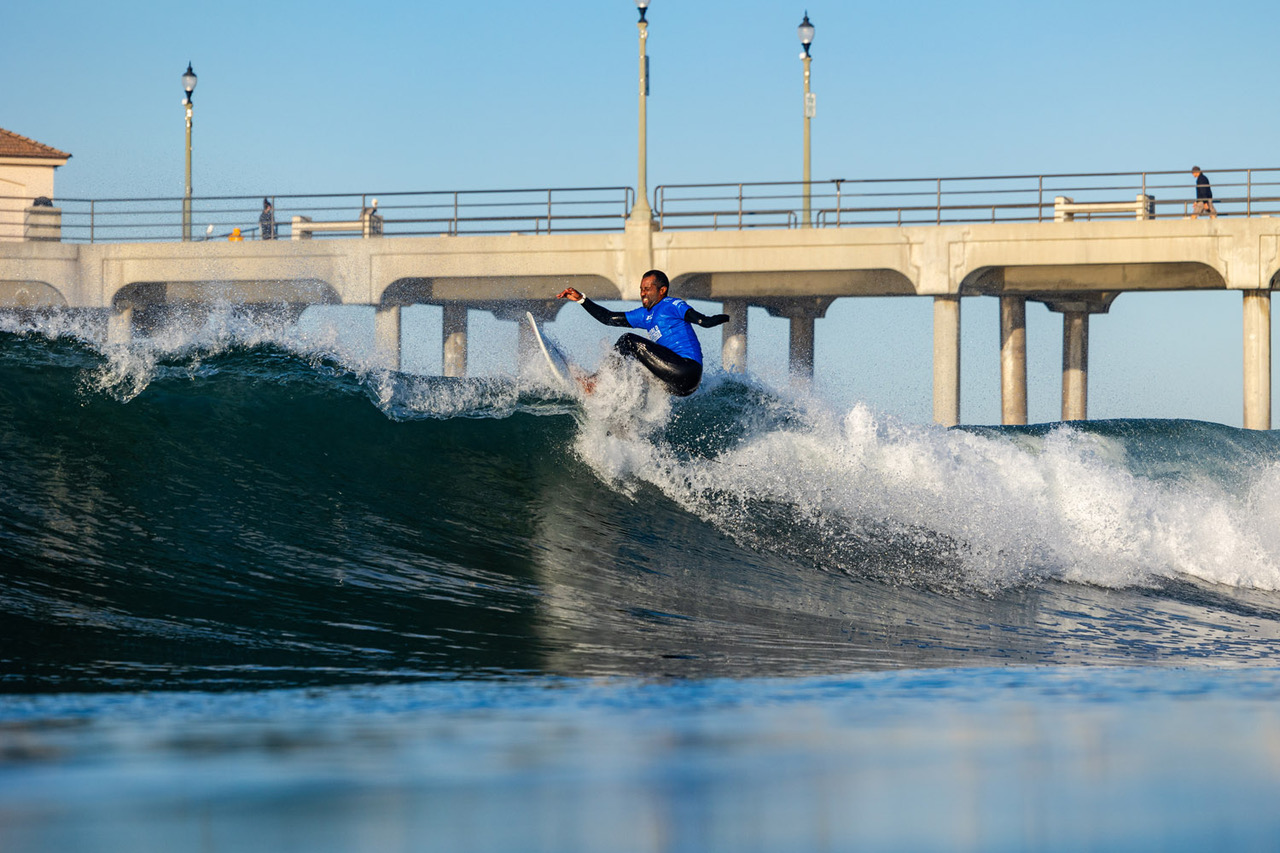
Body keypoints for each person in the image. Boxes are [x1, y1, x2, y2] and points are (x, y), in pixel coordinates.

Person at [557, 269, 729, 396]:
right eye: (641, 289)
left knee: (628, 341)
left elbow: (702, 321)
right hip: (676, 384)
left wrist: (721, 318)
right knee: (636, 371)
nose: (642, 293)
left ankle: (595, 383)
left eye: (647, 289)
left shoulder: (672, 305)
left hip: (686, 369)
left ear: (662, 290)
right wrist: (582, 300)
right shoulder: (644, 314)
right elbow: (607, 317)